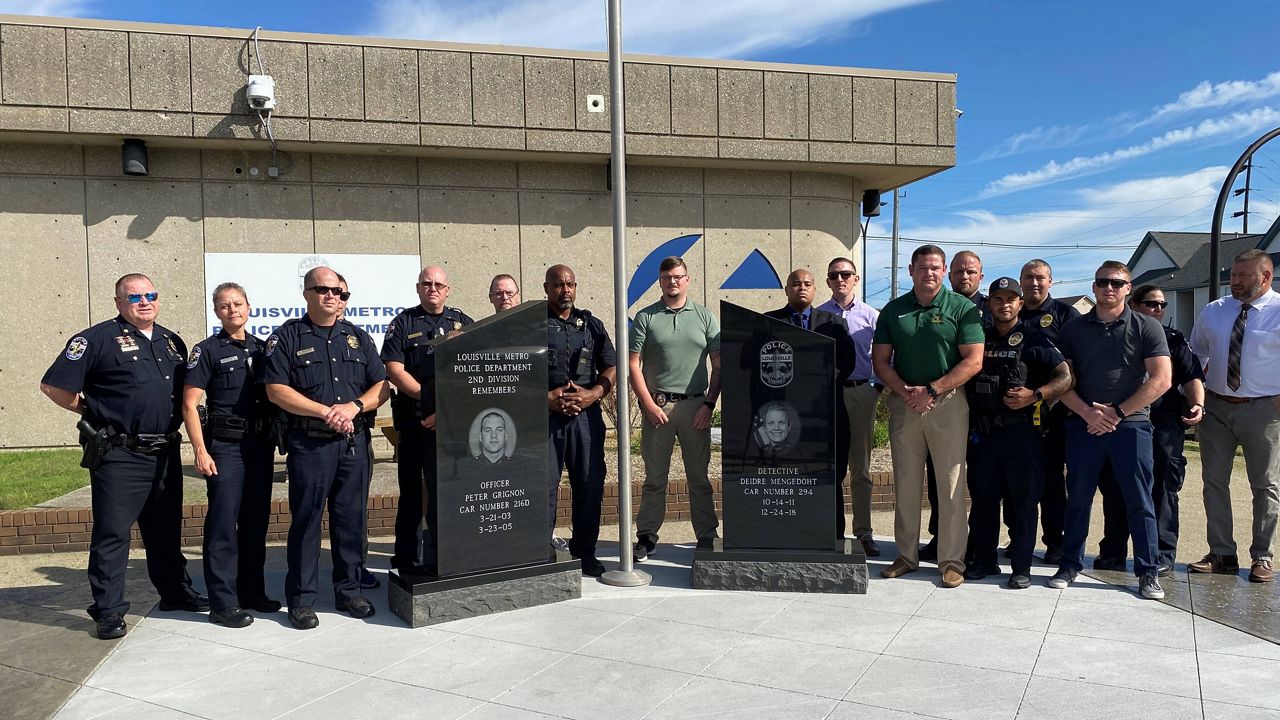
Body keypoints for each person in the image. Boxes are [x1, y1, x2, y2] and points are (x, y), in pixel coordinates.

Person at [39, 274, 207, 640]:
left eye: (150, 295)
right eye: (134, 297)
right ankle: (109, 610)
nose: (144, 301)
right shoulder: (95, 339)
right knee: (113, 535)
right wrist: (91, 409)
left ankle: (175, 593)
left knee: (164, 530)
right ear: (118, 302)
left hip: (164, 451)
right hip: (120, 454)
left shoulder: (172, 342)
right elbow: (53, 385)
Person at [262, 267, 388, 629]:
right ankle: (301, 600)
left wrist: (354, 407)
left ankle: (349, 592)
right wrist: (324, 412)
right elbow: (276, 389)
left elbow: (381, 386)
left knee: (351, 521)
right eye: (323, 290)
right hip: (310, 444)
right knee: (306, 522)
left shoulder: (357, 337)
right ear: (306, 294)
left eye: (340, 293)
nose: (333, 297)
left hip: (353, 444)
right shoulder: (286, 337)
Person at [1049, 261, 1171, 599]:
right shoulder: (1073, 329)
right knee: (1079, 499)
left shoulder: (1147, 327)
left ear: (1128, 288)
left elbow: (1162, 380)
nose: (1109, 288)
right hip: (1084, 425)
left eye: (1117, 283)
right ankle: (1070, 563)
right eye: (1103, 282)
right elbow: (1061, 381)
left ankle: (1147, 572)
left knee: (1139, 500)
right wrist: (1089, 413)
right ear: (1094, 286)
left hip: (1130, 426)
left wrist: (1116, 413)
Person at [872, 245, 984, 588]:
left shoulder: (962, 308)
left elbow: (974, 360)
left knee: (950, 484)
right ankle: (906, 555)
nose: (929, 273)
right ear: (911, 270)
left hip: (948, 404)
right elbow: (880, 362)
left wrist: (932, 389)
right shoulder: (894, 311)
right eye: (923, 268)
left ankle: (951, 561)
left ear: (944, 270)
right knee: (905, 482)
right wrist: (907, 393)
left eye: (936, 268)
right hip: (905, 405)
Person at [181, 283, 280, 629]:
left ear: (249, 307)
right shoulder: (206, 350)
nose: (232, 310)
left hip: (260, 447)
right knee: (223, 524)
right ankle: (223, 602)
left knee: (256, 522)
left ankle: (252, 591)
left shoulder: (265, 348)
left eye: (238, 304)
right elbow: (190, 404)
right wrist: (200, 450)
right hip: (225, 447)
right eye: (224, 306)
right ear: (216, 311)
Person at [964, 278, 1071, 588]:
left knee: (1023, 503)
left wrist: (1036, 395)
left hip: (1022, 435)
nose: (1004, 304)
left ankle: (1021, 567)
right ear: (989, 304)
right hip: (984, 436)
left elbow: (1065, 376)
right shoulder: (978, 339)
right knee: (983, 503)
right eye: (997, 299)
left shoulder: (1034, 339)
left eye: (1011, 299)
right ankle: (983, 560)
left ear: (1020, 304)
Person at [1093, 285, 1204, 575]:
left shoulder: (1172, 339)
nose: (1158, 309)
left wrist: (1198, 404)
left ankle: (1162, 555)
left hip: (1163, 422)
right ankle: (1113, 553)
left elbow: (1191, 375)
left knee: (1164, 487)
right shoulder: (1118, 333)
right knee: (1116, 487)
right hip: (1123, 422)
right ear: (1134, 304)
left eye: (1162, 304)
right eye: (1151, 304)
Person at [1189, 249, 1280, 583]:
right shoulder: (1215, 311)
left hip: (1264, 410)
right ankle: (1222, 553)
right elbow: (1195, 353)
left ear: (1266, 276)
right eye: (1233, 275)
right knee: (1214, 482)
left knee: (1266, 486)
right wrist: (1195, 393)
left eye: (1243, 276)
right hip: (1216, 407)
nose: (1235, 282)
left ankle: (1263, 557)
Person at [381, 266, 473, 572]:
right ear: (418, 288)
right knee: (411, 494)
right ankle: (406, 558)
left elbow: (476, 369)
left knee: (446, 491)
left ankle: (442, 556)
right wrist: (432, 402)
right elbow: (395, 369)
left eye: (438, 284)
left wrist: (445, 409)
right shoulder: (403, 323)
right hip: (414, 421)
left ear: (448, 290)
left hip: (450, 424)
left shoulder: (463, 323)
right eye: (426, 283)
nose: (433, 288)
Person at [630, 256, 721, 562]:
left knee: (699, 477)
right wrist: (647, 404)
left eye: (678, 276)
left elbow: (718, 365)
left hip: (696, 406)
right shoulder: (646, 317)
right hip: (658, 407)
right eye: (667, 277)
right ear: (660, 281)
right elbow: (633, 365)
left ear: (687, 279)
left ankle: (707, 534)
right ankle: (646, 536)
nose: (673, 281)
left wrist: (709, 404)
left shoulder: (705, 317)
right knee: (655, 477)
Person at [765, 269, 856, 539]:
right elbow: (754, 364)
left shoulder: (833, 323)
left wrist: (817, 386)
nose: (801, 288)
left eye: (807, 284)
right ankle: (789, 532)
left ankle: (832, 535)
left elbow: (847, 363)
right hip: (784, 413)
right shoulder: (769, 322)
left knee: (828, 475)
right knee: (788, 475)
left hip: (826, 411)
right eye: (795, 283)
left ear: (815, 289)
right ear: (786, 289)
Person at [545, 264, 618, 577]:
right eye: (559, 285)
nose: (566, 291)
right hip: (545, 420)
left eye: (570, 284)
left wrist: (593, 394)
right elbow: (517, 372)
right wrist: (546, 398)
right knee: (543, 488)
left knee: (589, 485)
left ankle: (584, 552)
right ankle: (541, 552)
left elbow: (612, 366)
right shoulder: (532, 325)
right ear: (546, 288)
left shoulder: (591, 325)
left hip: (586, 419)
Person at [919, 250, 991, 560]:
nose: (964, 276)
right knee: (940, 477)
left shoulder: (993, 309)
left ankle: (979, 545)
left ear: (980, 276)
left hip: (984, 407)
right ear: (950, 274)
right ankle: (941, 539)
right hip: (946, 401)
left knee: (982, 479)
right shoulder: (941, 307)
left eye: (970, 272)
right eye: (959, 272)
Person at [817, 258, 883, 557]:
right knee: (830, 466)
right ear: (828, 281)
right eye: (834, 275)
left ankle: (864, 533)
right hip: (825, 398)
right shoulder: (817, 317)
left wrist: (877, 389)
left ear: (856, 279)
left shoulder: (872, 316)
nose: (840, 279)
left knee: (861, 468)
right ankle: (831, 531)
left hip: (860, 394)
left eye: (845, 274)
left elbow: (886, 356)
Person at [1019, 258, 1082, 564]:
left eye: (1040, 278)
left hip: (1054, 411)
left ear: (1051, 282)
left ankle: (1054, 541)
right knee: (1017, 479)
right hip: (1015, 410)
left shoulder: (1065, 315)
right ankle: (1018, 538)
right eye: (1028, 277)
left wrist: (1050, 398)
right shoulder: (1011, 311)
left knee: (1053, 481)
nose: (1034, 283)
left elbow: (1073, 366)